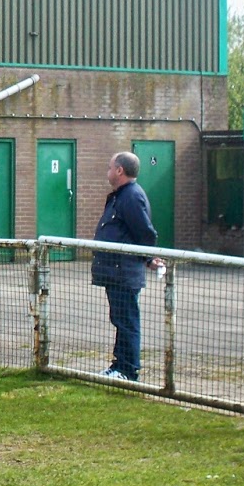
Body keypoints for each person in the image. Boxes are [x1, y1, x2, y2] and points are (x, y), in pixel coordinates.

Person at [91, 151, 160, 381]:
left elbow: (145, 232)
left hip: (124, 271)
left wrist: (147, 258)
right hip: (115, 271)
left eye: (110, 167)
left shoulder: (131, 196)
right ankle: (119, 365)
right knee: (120, 319)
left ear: (120, 170)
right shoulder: (120, 196)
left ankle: (128, 370)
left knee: (127, 320)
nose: (108, 172)